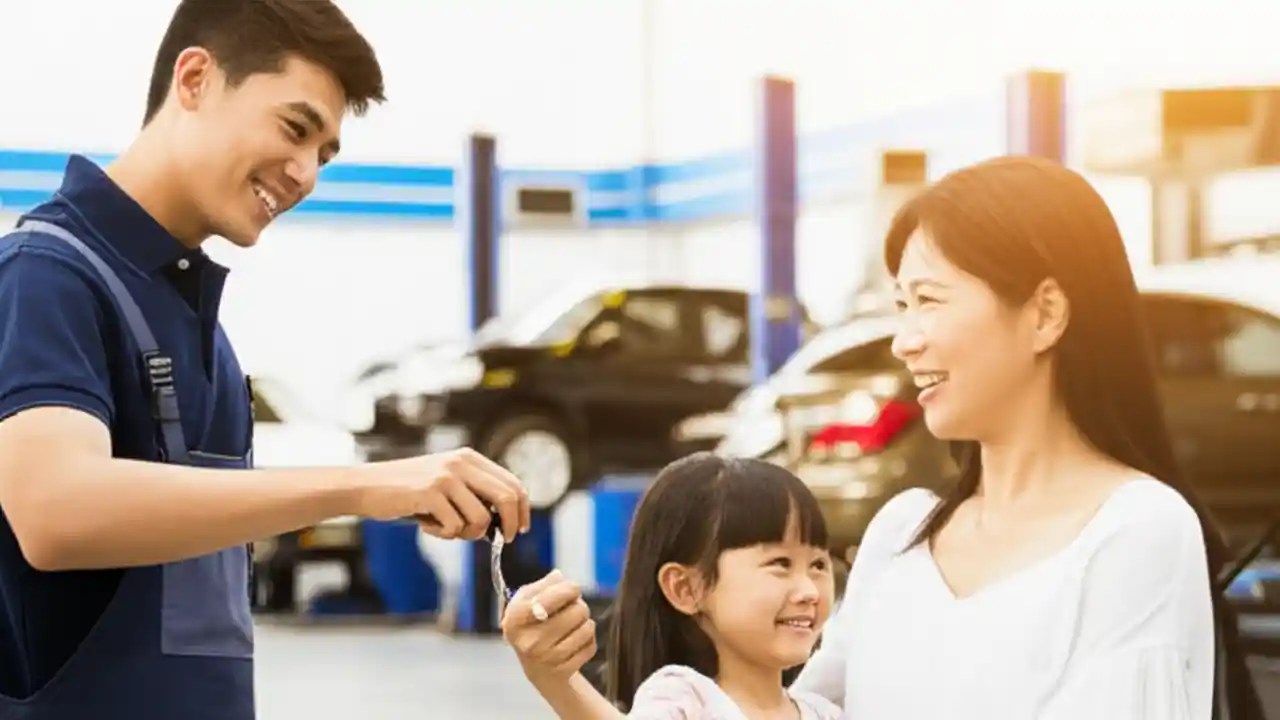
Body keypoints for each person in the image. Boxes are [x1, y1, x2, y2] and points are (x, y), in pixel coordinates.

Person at [501, 156, 1264, 718]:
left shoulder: (1138, 530)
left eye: (927, 300)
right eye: (899, 304)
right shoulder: (902, 534)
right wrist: (559, 684)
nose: (903, 341)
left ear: (1045, 313)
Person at [0, 2, 529, 718]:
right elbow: (55, 512)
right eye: (295, 128)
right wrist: (361, 488)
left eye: (325, 154)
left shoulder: (206, 333)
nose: (306, 173)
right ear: (195, 80)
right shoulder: (47, 274)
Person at [502, 453, 843, 719]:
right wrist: (553, 677)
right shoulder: (683, 700)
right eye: (780, 564)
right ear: (685, 589)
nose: (809, 591)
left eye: (818, 565)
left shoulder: (825, 712)